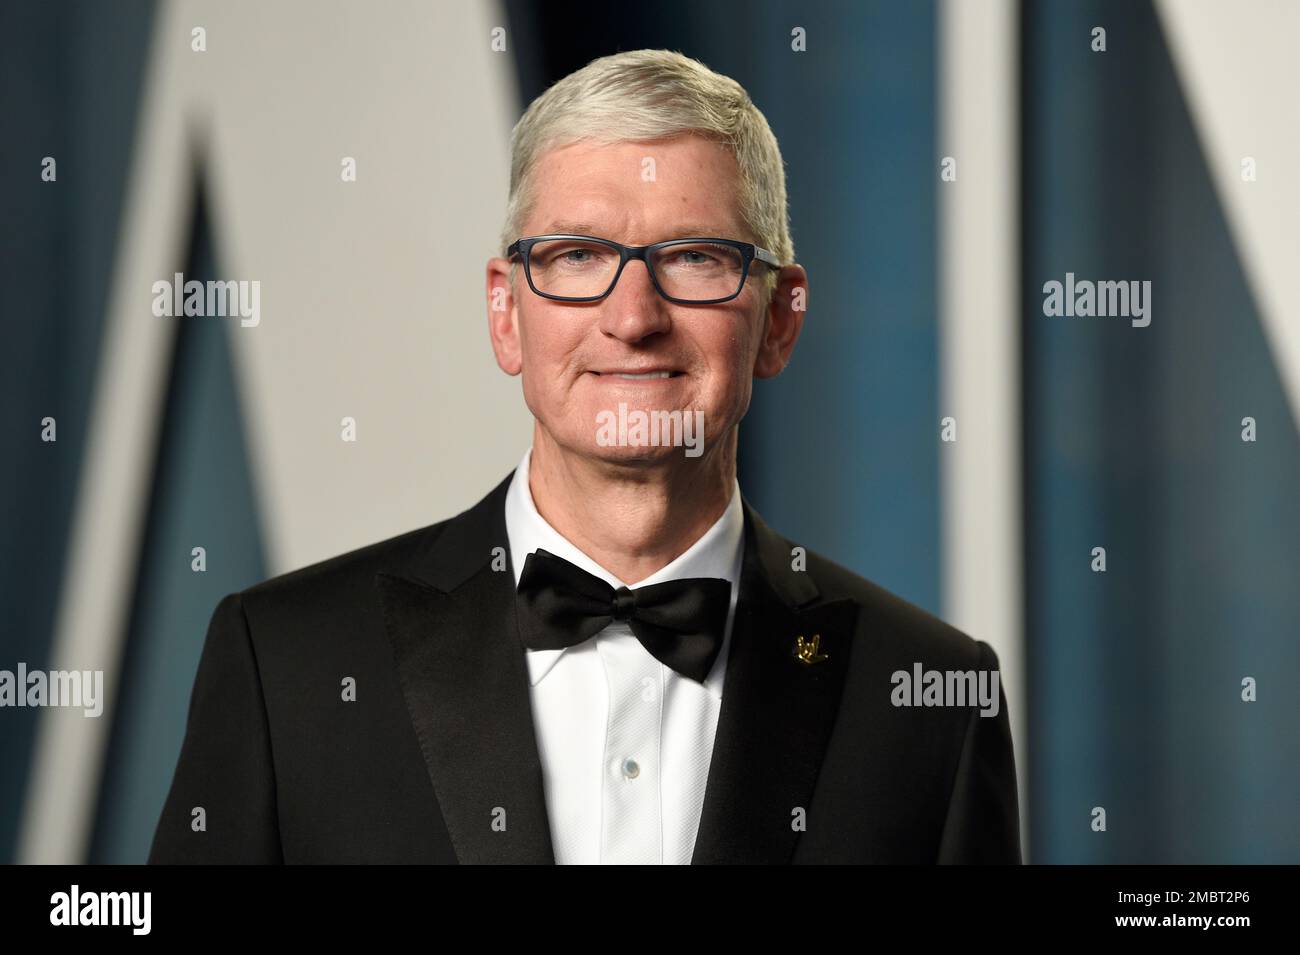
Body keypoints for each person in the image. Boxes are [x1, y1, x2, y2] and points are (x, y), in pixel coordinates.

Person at [149, 48, 1020, 865]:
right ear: (505, 312)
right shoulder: (287, 662)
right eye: (576, 256)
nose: (633, 317)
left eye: (692, 257)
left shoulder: (932, 694)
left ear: (780, 318)